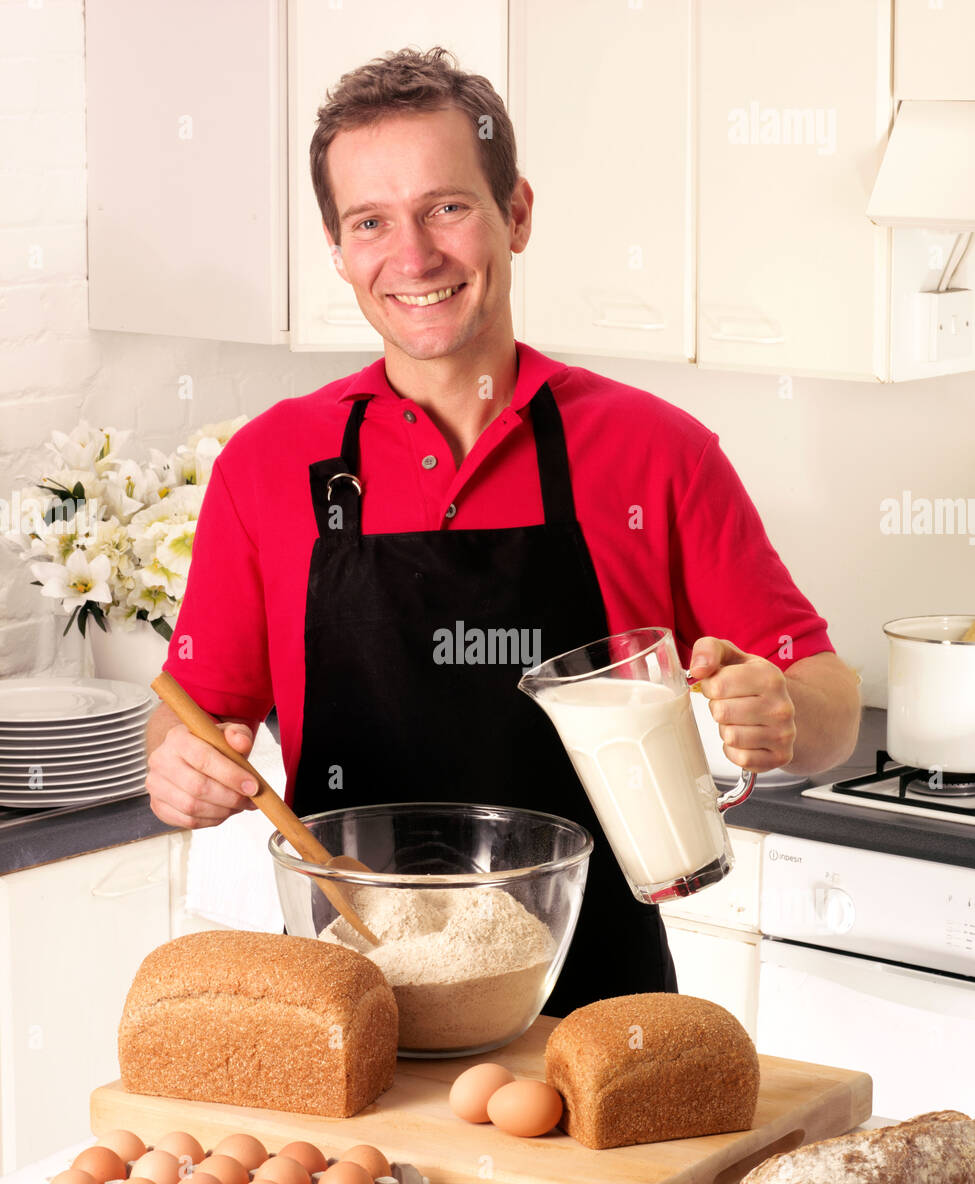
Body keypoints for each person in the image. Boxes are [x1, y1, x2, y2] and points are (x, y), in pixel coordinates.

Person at [146, 47, 860, 1015]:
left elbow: (826, 702)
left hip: (601, 1001)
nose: (413, 257)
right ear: (339, 246)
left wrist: (783, 714)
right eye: (371, 222)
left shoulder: (655, 451)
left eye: (446, 207)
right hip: (351, 994)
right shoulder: (270, 464)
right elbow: (193, 710)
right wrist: (178, 768)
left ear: (515, 213)